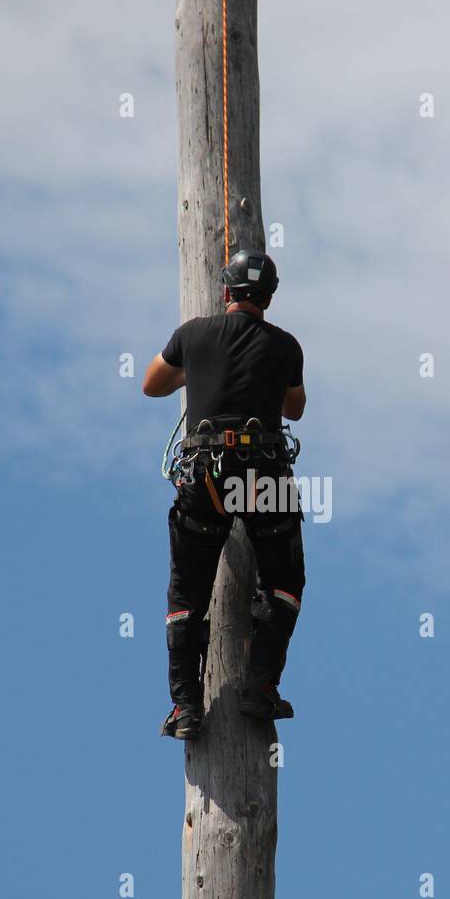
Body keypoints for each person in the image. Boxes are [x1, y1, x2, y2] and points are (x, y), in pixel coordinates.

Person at [142, 250, 306, 741]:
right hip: (264, 477)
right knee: (284, 583)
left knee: (187, 593)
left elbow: (153, 385)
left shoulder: (192, 334)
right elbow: (294, 409)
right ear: (269, 299)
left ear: (224, 292)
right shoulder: (285, 346)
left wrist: (202, 372)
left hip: (206, 475)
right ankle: (260, 686)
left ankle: (186, 707)